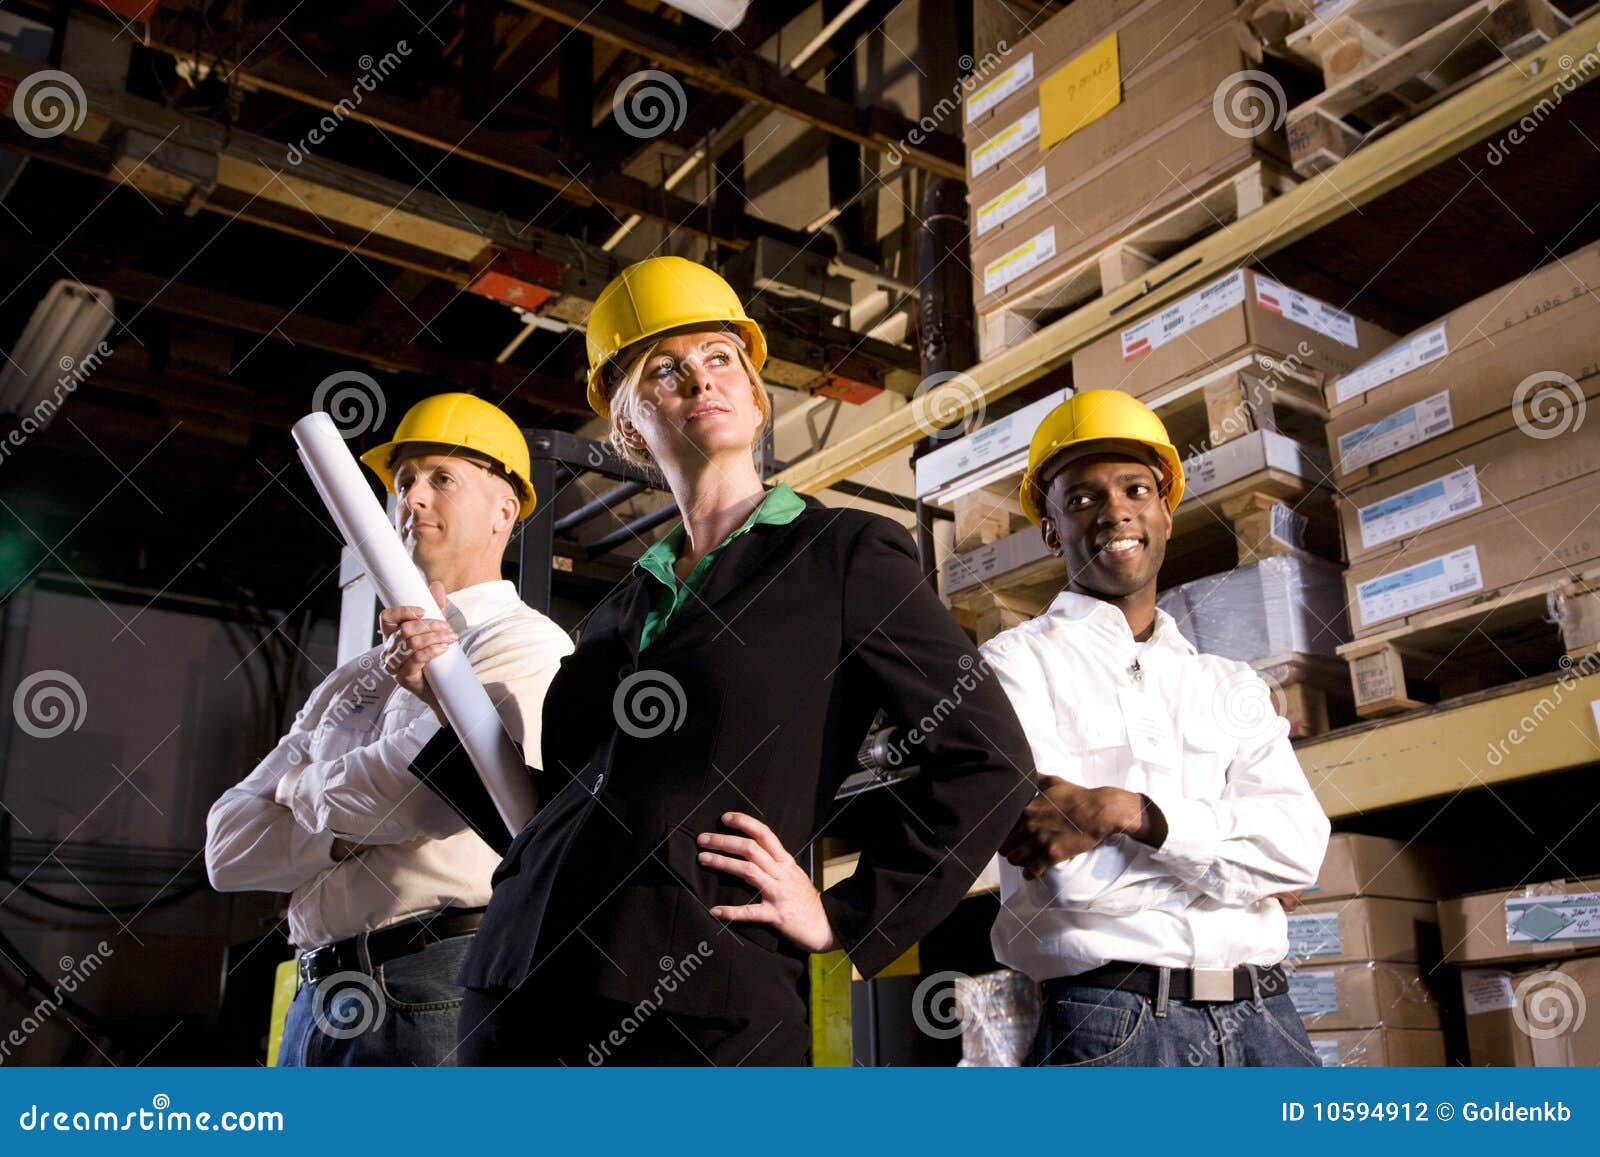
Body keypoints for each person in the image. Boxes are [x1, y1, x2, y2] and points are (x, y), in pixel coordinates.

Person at [395, 256, 1034, 1065]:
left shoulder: (841, 556)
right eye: (667, 370)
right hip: (518, 992)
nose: (701, 380)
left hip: (703, 1006)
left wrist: (849, 916)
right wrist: (441, 701)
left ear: (757, 395)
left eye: (720, 358)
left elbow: (990, 757)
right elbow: (547, 816)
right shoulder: (616, 614)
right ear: (629, 426)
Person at [205, 393, 573, 1066]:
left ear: (505, 510)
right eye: (403, 481)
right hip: (314, 997)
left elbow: (426, 796)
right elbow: (227, 850)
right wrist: (349, 823)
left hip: (431, 988)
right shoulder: (354, 678)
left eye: (442, 478)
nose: (413, 499)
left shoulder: (525, 644)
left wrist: (296, 786)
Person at [981, 389, 1330, 1067]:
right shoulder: (1012, 667)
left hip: (1269, 1020)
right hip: (1115, 1024)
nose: (1114, 510)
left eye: (1135, 488)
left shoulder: (1230, 684)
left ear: (1164, 512)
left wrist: (1128, 811)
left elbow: (1298, 850)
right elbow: (1071, 883)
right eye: (1081, 498)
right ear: (1051, 527)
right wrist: (1235, 873)